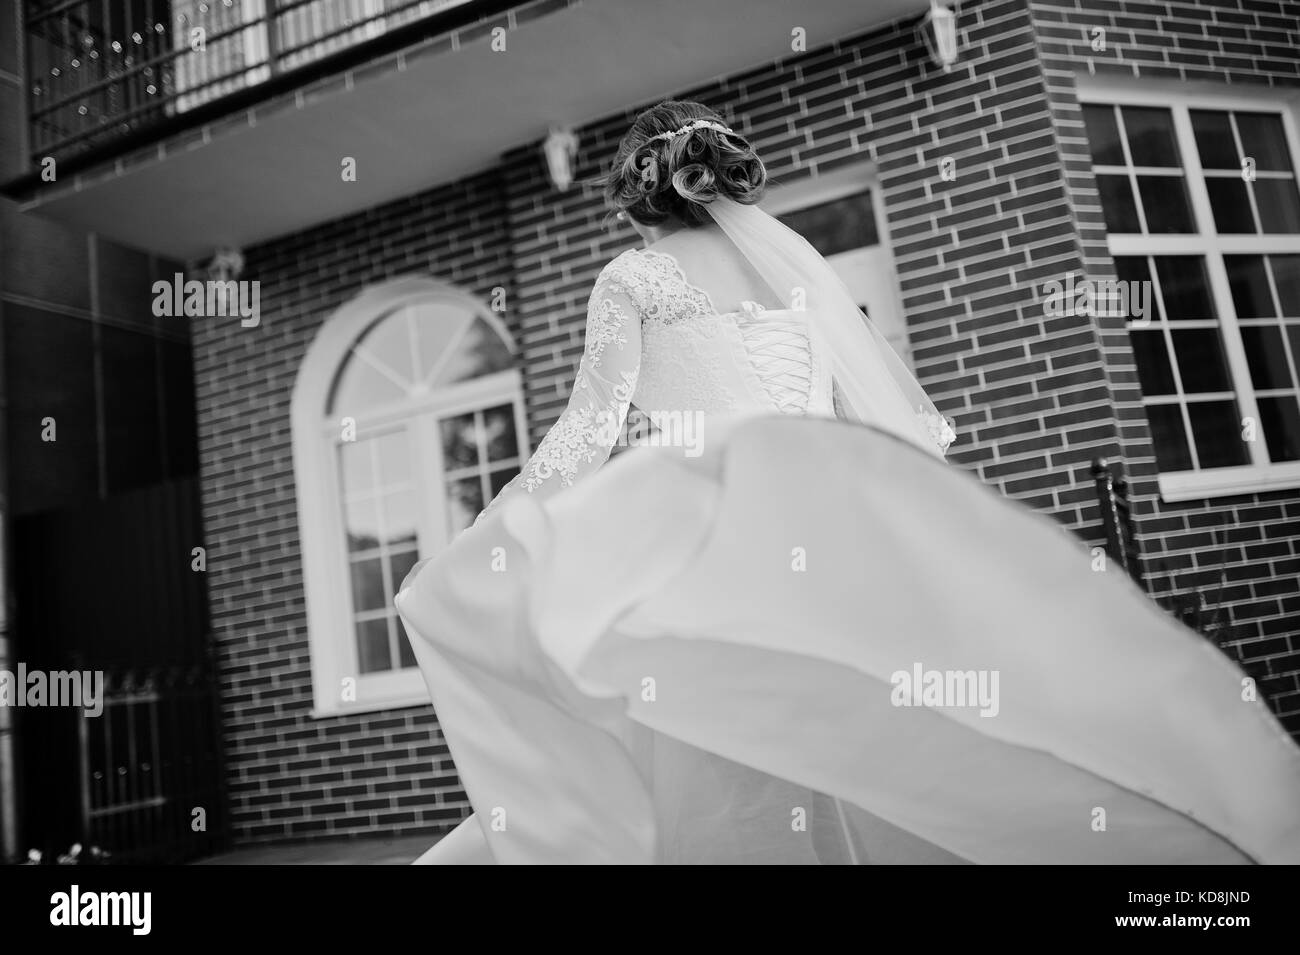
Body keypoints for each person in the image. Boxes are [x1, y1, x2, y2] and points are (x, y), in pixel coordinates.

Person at [395, 100, 1300, 864]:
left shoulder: (634, 276)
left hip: (705, 549)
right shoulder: (796, 279)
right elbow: (844, 422)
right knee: (840, 743)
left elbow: (591, 425)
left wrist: (499, 523)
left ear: (638, 196)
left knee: (706, 756)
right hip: (818, 547)